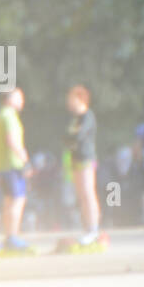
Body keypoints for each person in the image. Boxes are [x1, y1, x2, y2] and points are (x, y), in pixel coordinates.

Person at [0, 87, 30, 250]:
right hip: (13, 165)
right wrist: (26, 161)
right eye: (19, 97)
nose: (22, 101)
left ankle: (9, 237)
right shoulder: (9, 116)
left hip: (1, 165)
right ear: (9, 98)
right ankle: (13, 237)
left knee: (8, 201)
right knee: (17, 200)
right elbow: (12, 141)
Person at [64, 85, 100, 244]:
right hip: (75, 159)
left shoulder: (87, 116)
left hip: (86, 158)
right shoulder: (75, 119)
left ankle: (94, 229)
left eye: (71, 99)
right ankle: (87, 228)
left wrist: (71, 139)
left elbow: (78, 136)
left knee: (88, 192)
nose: (69, 102)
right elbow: (66, 137)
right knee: (81, 194)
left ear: (80, 99)